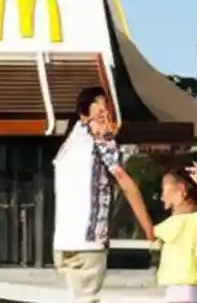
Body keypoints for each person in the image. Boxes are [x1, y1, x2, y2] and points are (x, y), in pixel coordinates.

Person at [53, 86, 154, 303]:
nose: (104, 111)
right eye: (98, 105)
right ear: (85, 114)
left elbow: (88, 125)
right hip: (89, 243)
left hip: (63, 243)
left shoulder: (69, 145)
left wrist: (102, 127)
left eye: (105, 106)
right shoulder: (100, 144)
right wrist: (148, 227)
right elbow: (126, 183)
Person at [153, 163, 197, 303]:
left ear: (181, 191)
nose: (162, 197)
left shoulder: (184, 222)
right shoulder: (195, 220)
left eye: (165, 191)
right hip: (188, 282)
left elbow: (151, 234)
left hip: (180, 282)